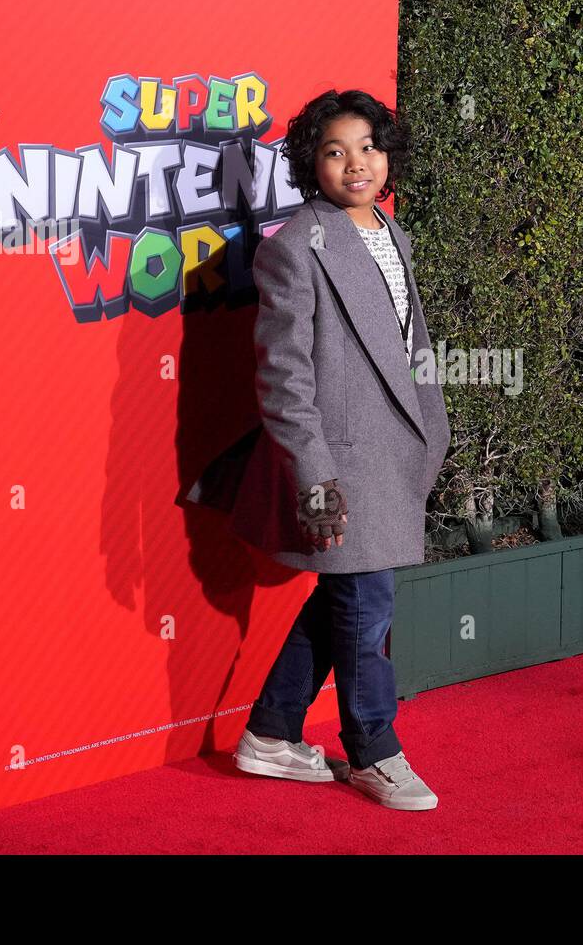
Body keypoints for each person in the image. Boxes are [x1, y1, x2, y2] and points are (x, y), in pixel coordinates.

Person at [189, 89, 450, 809]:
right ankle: (374, 750)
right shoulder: (290, 250)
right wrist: (314, 478)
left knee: (350, 601)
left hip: (397, 452)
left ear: (388, 154)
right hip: (338, 463)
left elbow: (412, 345)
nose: (356, 164)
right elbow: (282, 376)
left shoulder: (393, 234)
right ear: (313, 165)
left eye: (368, 146)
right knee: (367, 610)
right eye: (335, 151)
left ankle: (271, 734)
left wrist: (436, 427)